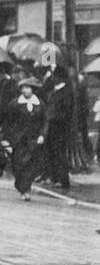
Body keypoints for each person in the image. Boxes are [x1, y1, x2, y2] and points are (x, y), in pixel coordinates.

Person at [1, 76, 46, 199]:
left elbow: (44, 121)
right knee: (19, 165)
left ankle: (26, 189)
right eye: (23, 88)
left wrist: (42, 135)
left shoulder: (40, 104)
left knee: (31, 165)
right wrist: (6, 140)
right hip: (18, 139)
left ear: (33, 89)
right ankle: (22, 187)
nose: (25, 90)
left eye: (27, 88)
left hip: (34, 139)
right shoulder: (15, 104)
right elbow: (8, 122)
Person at [40, 54, 73, 189]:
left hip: (60, 128)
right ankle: (55, 178)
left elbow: (67, 112)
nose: (52, 78)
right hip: (51, 126)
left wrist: (54, 118)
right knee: (52, 152)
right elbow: (43, 90)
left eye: (54, 76)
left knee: (59, 153)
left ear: (59, 78)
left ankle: (63, 180)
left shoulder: (66, 92)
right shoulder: (54, 90)